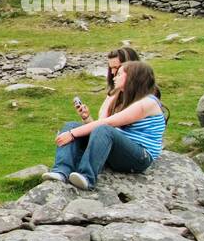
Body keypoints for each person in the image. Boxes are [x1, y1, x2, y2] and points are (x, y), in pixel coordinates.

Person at [45, 61, 166, 190]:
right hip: (118, 151)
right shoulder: (124, 98)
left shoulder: (148, 103)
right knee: (72, 125)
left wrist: (72, 134)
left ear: (132, 77)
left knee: (99, 129)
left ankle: (86, 177)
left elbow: (107, 124)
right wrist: (84, 120)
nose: (114, 77)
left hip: (140, 157)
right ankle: (61, 171)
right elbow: (101, 125)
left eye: (119, 74)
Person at [73, 46, 141, 122]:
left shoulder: (140, 99)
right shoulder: (112, 94)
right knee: (71, 125)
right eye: (111, 68)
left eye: (116, 68)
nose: (112, 72)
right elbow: (101, 126)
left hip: (118, 133)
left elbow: (106, 128)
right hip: (105, 131)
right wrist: (87, 118)